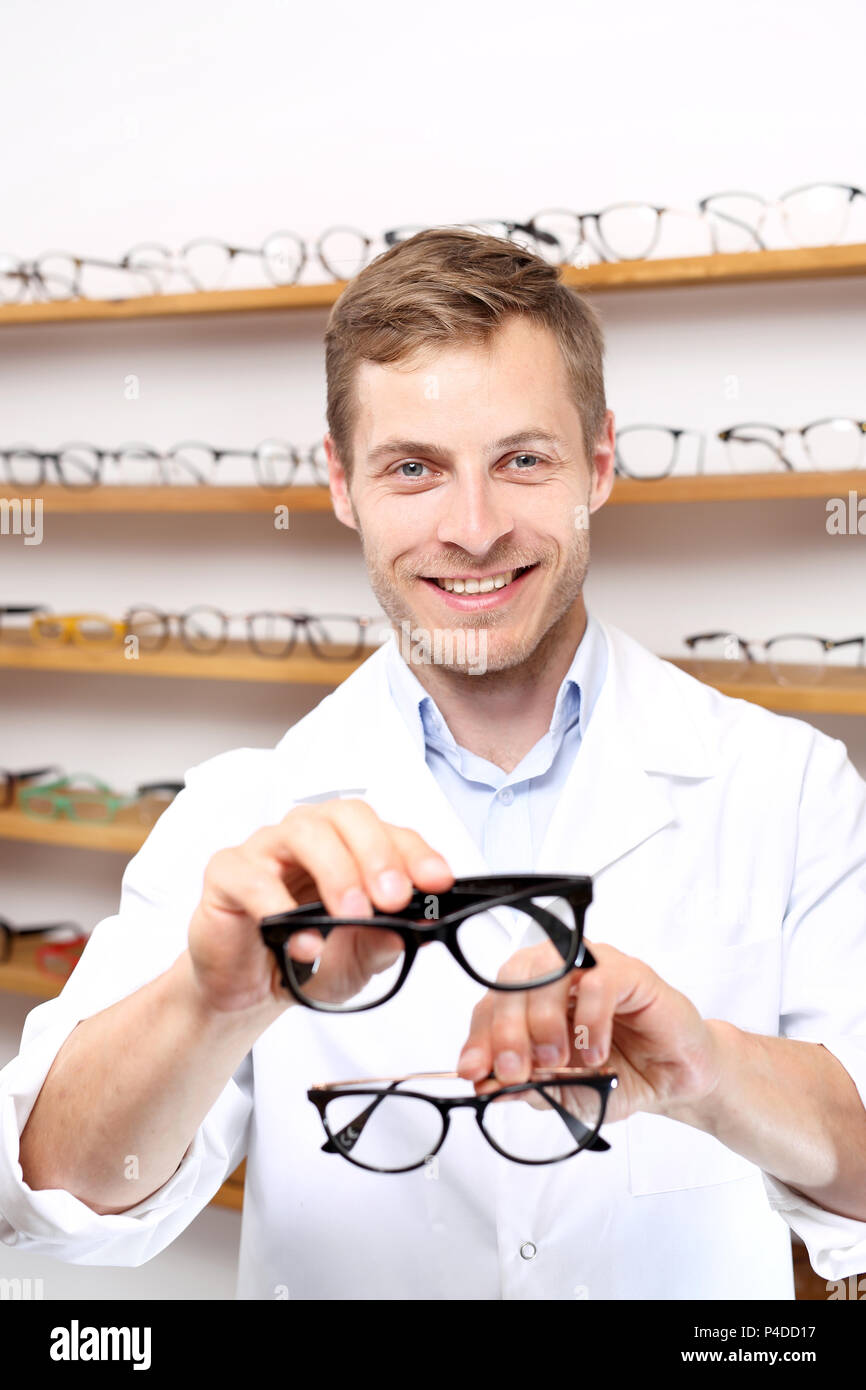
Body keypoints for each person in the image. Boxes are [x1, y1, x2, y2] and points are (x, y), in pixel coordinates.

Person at [1, 229, 865, 1301]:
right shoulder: (245, 811)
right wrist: (204, 1000)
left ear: (597, 462)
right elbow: (58, 1191)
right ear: (340, 483)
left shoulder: (788, 787)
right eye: (413, 468)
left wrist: (711, 1070)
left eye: (521, 460)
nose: (471, 528)